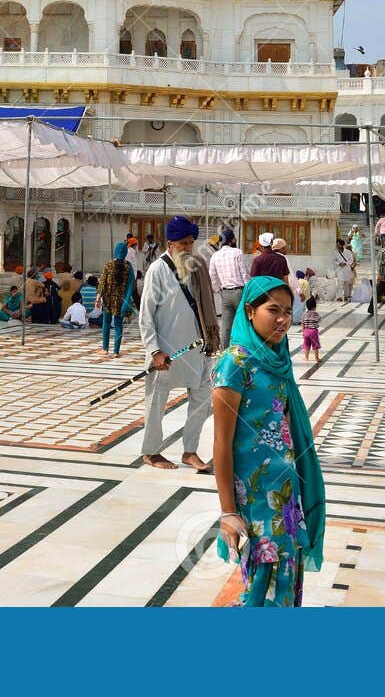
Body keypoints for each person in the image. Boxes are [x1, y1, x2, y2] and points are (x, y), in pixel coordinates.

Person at [212, 275, 326, 607]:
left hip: (286, 497)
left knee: (286, 586)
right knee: (264, 587)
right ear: (249, 311)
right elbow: (221, 443)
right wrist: (228, 511)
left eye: (288, 311)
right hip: (255, 499)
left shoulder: (278, 359)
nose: (282, 319)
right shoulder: (235, 364)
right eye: (272, 309)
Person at [139, 215, 224, 472]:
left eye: (191, 242)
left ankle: (190, 451)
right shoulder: (158, 270)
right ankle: (151, 452)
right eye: (183, 243)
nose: (188, 248)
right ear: (170, 243)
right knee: (156, 403)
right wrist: (154, 350)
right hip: (165, 353)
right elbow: (145, 315)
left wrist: (210, 339)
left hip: (196, 350)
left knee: (201, 399)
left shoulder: (196, 268)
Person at [207, 227, 248, 344]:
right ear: (232, 240)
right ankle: (243, 349)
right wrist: (247, 290)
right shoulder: (237, 252)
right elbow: (244, 273)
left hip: (225, 293)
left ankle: (224, 352)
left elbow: (212, 276)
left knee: (226, 326)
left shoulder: (215, 256)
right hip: (239, 292)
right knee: (243, 323)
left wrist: (219, 291)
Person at [97, 242, 135, 356]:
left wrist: (98, 298)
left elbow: (102, 283)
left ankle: (105, 349)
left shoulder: (108, 265)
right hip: (121, 301)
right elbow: (130, 286)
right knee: (118, 325)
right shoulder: (128, 267)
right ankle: (116, 351)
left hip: (108, 300)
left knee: (106, 323)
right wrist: (127, 301)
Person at [300, 287, 322, 362]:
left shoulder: (304, 314)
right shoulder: (315, 314)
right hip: (313, 331)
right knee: (315, 345)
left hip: (306, 331)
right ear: (314, 307)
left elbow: (302, 323)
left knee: (306, 344)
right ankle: (316, 358)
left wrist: (303, 331)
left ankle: (306, 357)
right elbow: (319, 319)